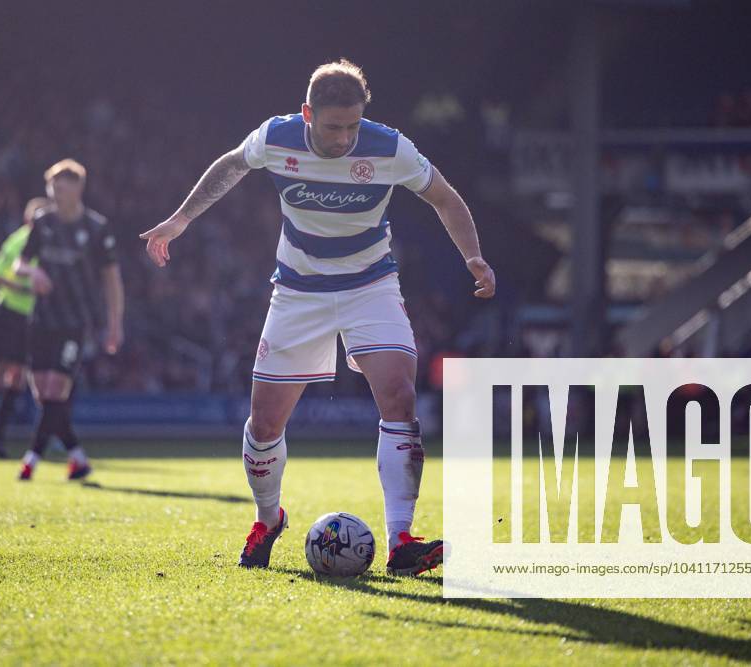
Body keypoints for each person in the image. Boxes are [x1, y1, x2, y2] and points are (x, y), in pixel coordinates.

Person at [140, 59, 495, 575]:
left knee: (399, 396)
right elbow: (232, 165)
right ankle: (268, 518)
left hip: (371, 284)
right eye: (333, 127)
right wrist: (179, 220)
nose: (346, 137)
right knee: (264, 422)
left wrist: (473, 256)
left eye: (353, 125)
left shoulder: (389, 147)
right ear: (308, 114)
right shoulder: (277, 137)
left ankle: (402, 541)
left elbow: (445, 198)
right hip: (298, 292)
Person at [14, 159, 125, 481]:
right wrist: (32, 271)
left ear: (78, 188)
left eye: (60, 187)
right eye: (51, 187)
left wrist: (115, 322)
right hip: (41, 319)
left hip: (74, 322)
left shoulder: (96, 228)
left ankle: (30, 460)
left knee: (56, 391)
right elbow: (20, 264)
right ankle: (77, 457)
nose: (54, 192)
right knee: (44, 396)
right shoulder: (42, 221)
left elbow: (112, 279)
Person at [0, 197, 49, 458]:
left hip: (30, 317)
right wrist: (22, 287)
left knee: (17, 376)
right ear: (28, 219)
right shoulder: (18, 241)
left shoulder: (49, 245)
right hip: (8, 313)